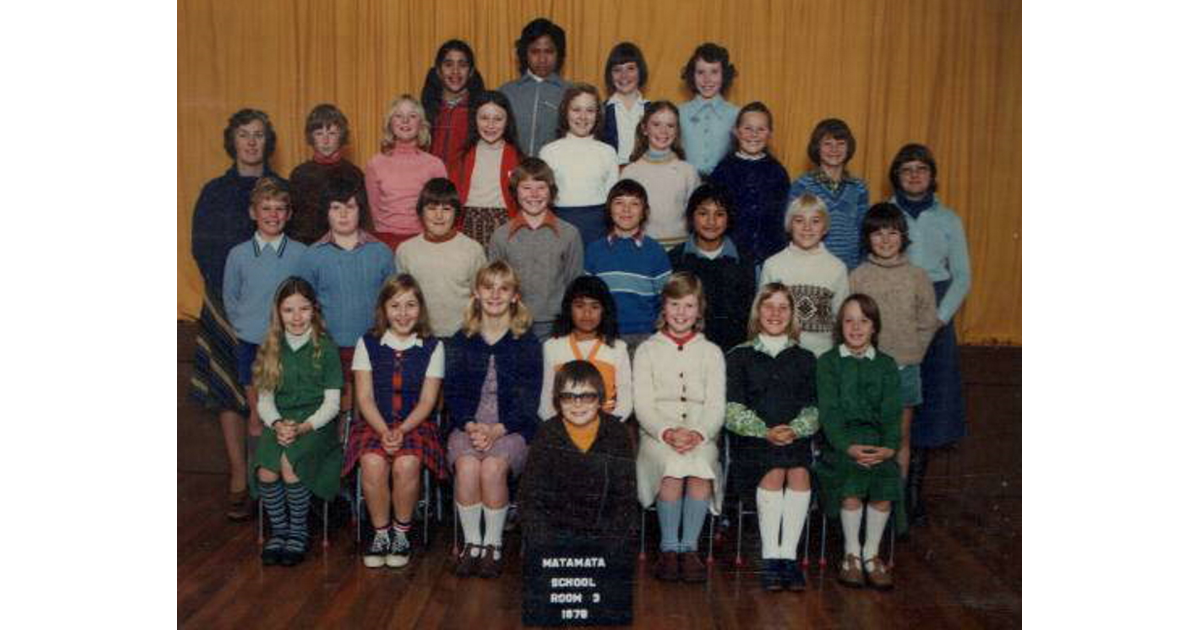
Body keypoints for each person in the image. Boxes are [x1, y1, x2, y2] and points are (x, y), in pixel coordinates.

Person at [190, 107, 282, 521]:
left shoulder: (281, 188)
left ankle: (269, 478)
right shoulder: (214, 191)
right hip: (225, 302)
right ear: (233, 141)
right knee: (230, 391)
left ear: (267, 141)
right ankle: (238, 476)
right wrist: (233, 294)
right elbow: (201, 246)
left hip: (274, 305)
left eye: (258, 134)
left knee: (271, 391)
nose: (251, 142)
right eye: (244, 134)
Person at [886, 143, 972, 525]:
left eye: (921, 169)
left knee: (929, 405)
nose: (914, 176)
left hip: (936, 313)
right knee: (894, 402)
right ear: (897, 176)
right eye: (907, 170)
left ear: (932, 176)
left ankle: (912, 495)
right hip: (894, 307)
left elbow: (963, 276)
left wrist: (939, 318)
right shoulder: (885, 213)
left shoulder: (948, 219)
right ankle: (889, 492)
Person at [444, 261, 543, 578]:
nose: (495, 295)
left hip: (512, 428)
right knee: (467, 466)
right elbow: (453, 392)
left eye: (504, 288)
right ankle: (472, 543)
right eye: (488, 287)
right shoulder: (461, 339)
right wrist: (472, 426)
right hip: (468, 425)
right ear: (476, 292)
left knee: (492, 467)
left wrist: (496, 431)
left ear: (515, 296)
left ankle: (493, 545)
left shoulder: (527, 342)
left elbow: (529, 400)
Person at [519, 361, 638, 622]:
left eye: (587, 396)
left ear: (601, 399)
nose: (577, 404)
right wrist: (546, 543)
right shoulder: (546, 433)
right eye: (568, 396)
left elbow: (625, 498)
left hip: (603, 539)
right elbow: (530, 498)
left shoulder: (617, 433)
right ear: (557, 400)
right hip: (557, 539)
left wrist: (610, 544)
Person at [346, 275, 448, 569]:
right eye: (395, 305)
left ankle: (401, 534)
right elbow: (364, 398)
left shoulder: (433, 346)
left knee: (406, 463)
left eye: (410, 305)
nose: (403, 313)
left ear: (421, 309)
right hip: (374, 422)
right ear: (383, 309)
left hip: (416, 424)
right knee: (372, 461)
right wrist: (384, 431)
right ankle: (380, 534)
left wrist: (401, 430)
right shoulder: (367, 343)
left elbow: (428, 401)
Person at [724, 284, 819, 592]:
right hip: (753, 443)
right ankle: (770, 557)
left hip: (794, 439)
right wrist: (765, 431)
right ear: (757, 311)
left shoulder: (806, 358)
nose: (775, 313)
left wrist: (795, 429)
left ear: (792, 315)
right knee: (776, 468)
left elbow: (814, 408)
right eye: (768, 306)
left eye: (783, 307)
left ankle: (788, 557)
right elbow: (731, 410)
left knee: (800, 471)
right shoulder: (739, 356)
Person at [634, 272, 726, 584]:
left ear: (699, 310)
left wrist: (698, 433)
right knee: (671, 469)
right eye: (674, 304)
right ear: (664, 307)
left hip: (701, 434)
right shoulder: (647, 350)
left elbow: (716, 406)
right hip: (658, 435)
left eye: (689, 305)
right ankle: (669, 548)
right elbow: (643, 405)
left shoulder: (711, 352)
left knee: (700, 469)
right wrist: (668, 432)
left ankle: (689, 548)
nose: (681, 313)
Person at [252, 277, 344, 567]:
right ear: (278, 312)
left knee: (290, 463)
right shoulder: (272, 347)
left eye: (304, 309)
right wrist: (278, 424)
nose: (296, 317)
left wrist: (304, 427)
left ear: (314, 310)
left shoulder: (325, 347)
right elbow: (265, 401)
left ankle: (298, 531)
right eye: (288, 310)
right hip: (280, 423)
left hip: (316, 426)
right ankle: (280, 530)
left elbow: (332, 404)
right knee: (266, 470)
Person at [815, 294, 903, 590]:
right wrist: (847, 447)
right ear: (840, 325)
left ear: (874, 327)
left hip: (879, 444)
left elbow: (892, 413)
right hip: (840, 444)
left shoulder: (886, 365)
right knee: (850, 473)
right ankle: (851, 554)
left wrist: (888, 448)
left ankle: (871, 554)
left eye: (863, 321)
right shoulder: (828, 363)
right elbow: (829, 413)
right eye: (849, 321)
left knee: (885, 474)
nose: (856, 327)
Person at [849, 203, 939, 480]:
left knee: (898, 438)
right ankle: (866, 494)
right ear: (867, 238)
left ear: (903, 236)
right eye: (878, 233)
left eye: (892, 233)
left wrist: (913, 354)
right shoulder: (858, 276)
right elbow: (848, 324)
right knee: (866, 436)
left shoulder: (918, 276)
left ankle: (895, 497)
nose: (885, 240)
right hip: (865, 369)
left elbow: (927, 322)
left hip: (904, 369)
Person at [223, 177, 307, 467]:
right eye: (266, 208)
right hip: (252, 345)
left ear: (289, 214)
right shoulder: (238, 254)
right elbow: (231, 298)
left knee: (288, 414)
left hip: (290, 345)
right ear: (253, 212)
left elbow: (308, 298)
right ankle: (259, 481)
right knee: (258, 417)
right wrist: (246, 328)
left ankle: (291, 478)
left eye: (280, 209)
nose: (273, 215)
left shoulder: (301, 254)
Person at [300, 176, 396, 414]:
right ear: (326, 212)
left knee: (371, 411)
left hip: (375, 346)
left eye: (350, 207)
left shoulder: (381, 252)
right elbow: (304, 307)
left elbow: (393, 303)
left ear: (360, 210)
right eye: (336, 208)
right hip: (329, 348)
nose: (343, 214)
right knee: (337, 412)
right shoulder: (312, 256)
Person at [487, 157, 584, 341]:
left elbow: (575, 285)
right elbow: (495, 287)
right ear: (515, 191)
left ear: (551, 191)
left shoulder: (570, 234)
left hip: (556, 327)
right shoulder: (501, 236)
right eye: (526, 188)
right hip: (511, 325)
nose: (534, 194)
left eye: (541, 187)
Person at [584, 179, 671, 350]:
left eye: (634, 204)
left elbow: (666, 300)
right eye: (619, 203)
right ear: (609, 209)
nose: (626, 209)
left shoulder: (656, 251)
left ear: (644, 212)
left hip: (646, 336)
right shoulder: (594, 250)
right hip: (604, 335)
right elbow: (587, 298)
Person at [667, 185, 756, 352]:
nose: (711, 221)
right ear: (691, 217)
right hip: (686, 351)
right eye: (703, 213)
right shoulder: (674, 260)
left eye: (719, 214)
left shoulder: (744, 261)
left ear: (729, 218)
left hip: (734, 351)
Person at [759, 193, 849, 358]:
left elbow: (842, 320)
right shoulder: (772, 265)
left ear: (825, 228)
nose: (807, 227)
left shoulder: (837, 268)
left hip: (822, 357)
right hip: (780, 355)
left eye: (815, 221)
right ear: (789, 225)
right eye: (799, 220)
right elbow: (761, 315)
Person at [395, 178, 487, 339]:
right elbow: (400, 299)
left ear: (456, 213)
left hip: (463, 336)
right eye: (431, 208)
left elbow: (482, 298)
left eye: (446, 209)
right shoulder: (406, 251)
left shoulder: (473, 250)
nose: (439, 216)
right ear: (421, 212)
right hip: (419, 335)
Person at [538, 276, 632, 423]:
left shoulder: (617, 348)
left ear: (604, 310)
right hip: (562, 427)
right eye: (579, 306)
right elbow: (545, 403)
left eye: (595, 307)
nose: (587, 313)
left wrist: (609, 427)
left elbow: (626, 402)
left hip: (607, 427)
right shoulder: (552, 346)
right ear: (569, 308)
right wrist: (559, 429)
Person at [708, 102, 790, 267]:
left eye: (761, 129)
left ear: (770, 133)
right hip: (731, 259)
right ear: (736, 131)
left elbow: (784, 218)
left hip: (771, 258)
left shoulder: (778, 172)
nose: (754, 135)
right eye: (748, 128)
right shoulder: (722, 171)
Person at [538, 83, 620, 245]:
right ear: (565, 112)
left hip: (598, 227)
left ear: (598, 115)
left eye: (590, 110)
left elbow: (613, 199)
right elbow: (542, 198)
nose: (583, 117)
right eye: (576, 110)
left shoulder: (608, 152)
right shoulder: (548, 152)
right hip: (559, 224)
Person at [364, 94, 448, 251]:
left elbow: (442, 211)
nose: (405, 121)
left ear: (421, 124)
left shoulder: (435, 165)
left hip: (423, 242)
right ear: (390, 123)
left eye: (412, 116)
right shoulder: (375, 164)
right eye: (399, 116)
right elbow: (375, 211)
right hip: (385, 241)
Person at [787, 118, 869, 271]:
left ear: (849, 147)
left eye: (840, 143)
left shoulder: (859, 188)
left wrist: (861, 269)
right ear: (817, 148)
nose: (834, 149)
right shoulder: (802, 186)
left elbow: (864, 233)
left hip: (850, 268)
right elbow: (792, 230)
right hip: (811, 268)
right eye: (827, 144)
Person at [621, 101, 701, 248]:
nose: (663, 131)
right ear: (644, 129)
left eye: (670, 125)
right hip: (642, 248)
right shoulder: (631, 172)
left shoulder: (688, 172)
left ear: (677, 131)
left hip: (680, 248)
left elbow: (697, 215)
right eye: (656, 124)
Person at [451, 90, 523, 246]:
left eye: (498, 119)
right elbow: (453, 198)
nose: (490, 125)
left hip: (505, 224)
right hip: (468, 224)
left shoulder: (518, 157)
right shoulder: (462, 157)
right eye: (484, 118)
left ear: (507, 121)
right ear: (474, 120)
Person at [287, 104, 366, 244]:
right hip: (307, 247)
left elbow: (362, 221)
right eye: (319, 133)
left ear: (341, 136)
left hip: (343, 246)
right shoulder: (300, 174)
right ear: (311, 137)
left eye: (332, 133)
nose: (325, 140)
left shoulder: (354, 174)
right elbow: (293, 222)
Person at [499, 18, 569, 157]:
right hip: (513, 167)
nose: (542, 59)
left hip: (555, 168)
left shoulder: (570, 93)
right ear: (524, 53)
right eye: (535, 51)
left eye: (549, 51)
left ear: (559, 54)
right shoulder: (507, 92)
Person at [421, 39, 486, 179]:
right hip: (431, 188)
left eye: (462, 65)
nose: (455, 71)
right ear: (438, 71)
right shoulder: (423, 111)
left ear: (471, 72)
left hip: (469, 188)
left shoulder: (482, 112)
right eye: (448, 64)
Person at [678, 43, 739, 177]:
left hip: (723, 184)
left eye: (714, 72)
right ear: (692, 75)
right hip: (686, 182)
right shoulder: (679, 113)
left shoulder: (736, 114)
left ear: (724, 75)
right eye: (701, 72)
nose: (707, 79)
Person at [599, 42, 649, 166]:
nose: (624, 76)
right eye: (617, 70)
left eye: (630, 68)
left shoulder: (652, 111)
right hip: (611, 174)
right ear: (610, 75)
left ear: (640, 71)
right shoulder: (600, 111)